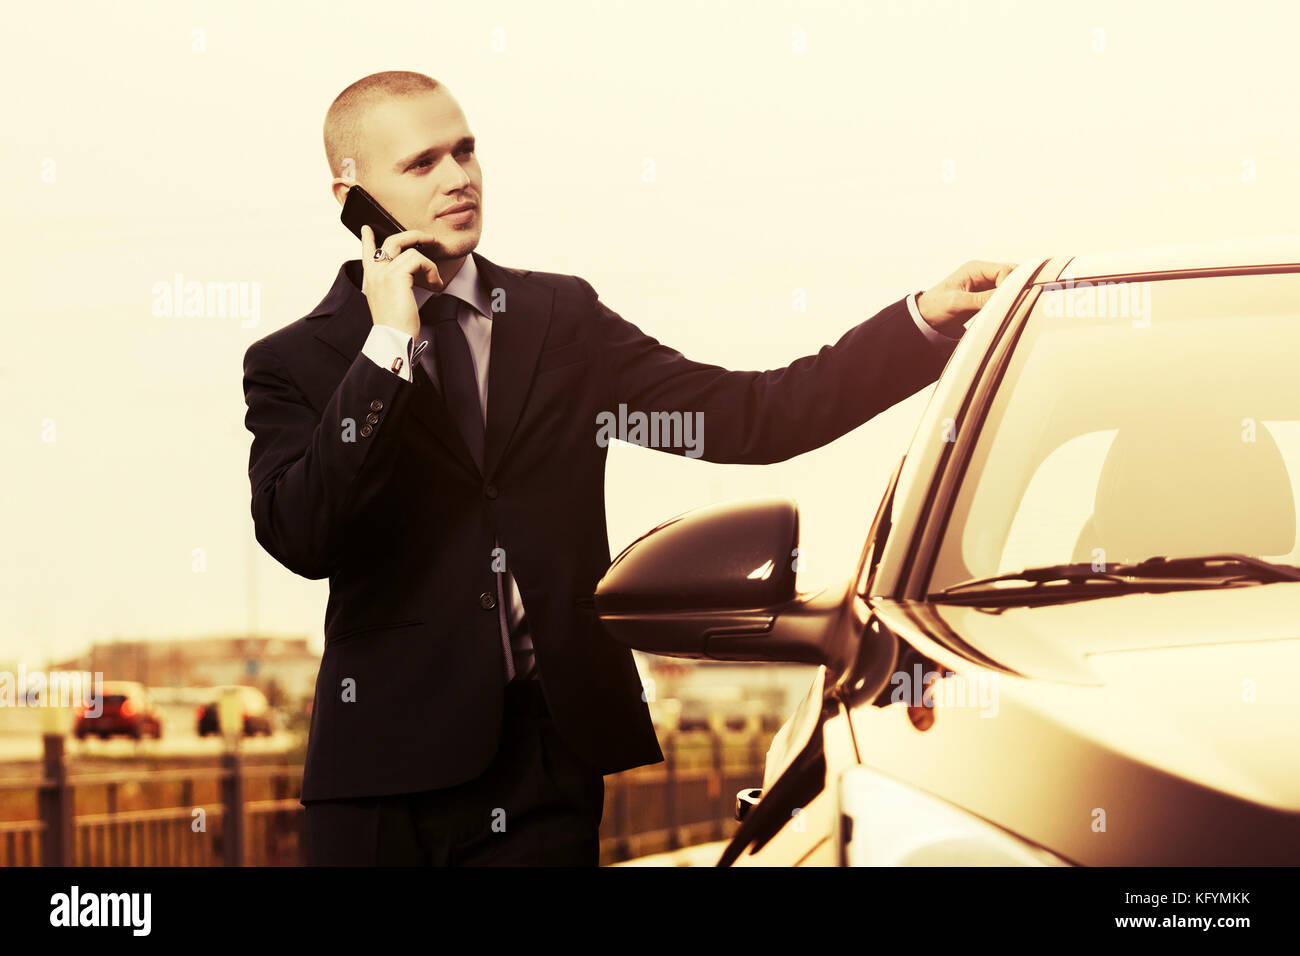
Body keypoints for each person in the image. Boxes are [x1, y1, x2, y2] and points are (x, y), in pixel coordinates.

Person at [240, 69, 1014, 866]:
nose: (459, 178)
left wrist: (921, 324)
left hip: (546, 762)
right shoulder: (299, 361)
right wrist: (387, 348)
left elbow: (754, 416)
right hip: (379, 779)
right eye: (422, 164)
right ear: (351, 197)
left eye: (466, 151)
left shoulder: (558, 320)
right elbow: (303, 533)